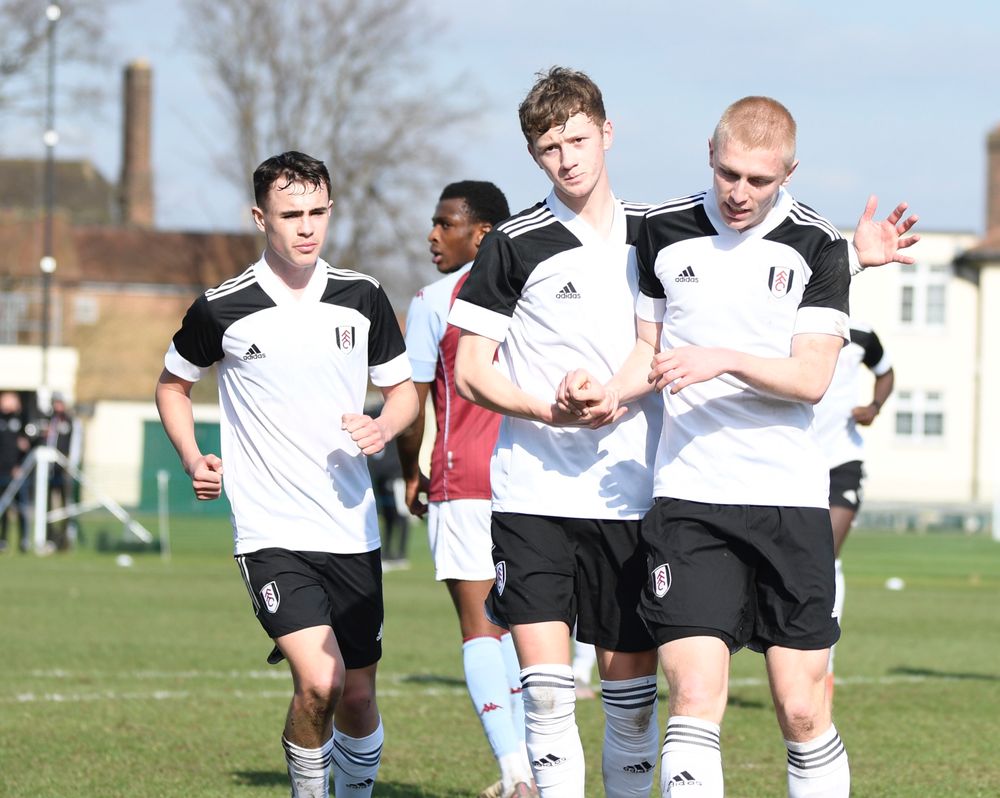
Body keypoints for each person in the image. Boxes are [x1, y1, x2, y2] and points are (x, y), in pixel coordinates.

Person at [567, 95, 918, 797]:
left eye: (759, 181)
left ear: (789, 173)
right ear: (709, 153)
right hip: (689, 503)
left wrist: (722, 358)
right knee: (695, 698)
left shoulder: (818, 244)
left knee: (800, 706)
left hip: (787, 504)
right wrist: (609, 391)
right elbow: (650, 351)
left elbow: (812, 378)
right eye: (730, 173)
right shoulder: (662, 230)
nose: (740, 193)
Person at [155, 151, 418, 798]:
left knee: (356, 695)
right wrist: (195, 457)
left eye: (317, 213)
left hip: (352, 530)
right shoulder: (223, 307)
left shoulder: (364, 297)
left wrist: (384, 427)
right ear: (259, 218)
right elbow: (172, 387)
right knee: (320, 681)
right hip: (271, 532)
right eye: (290, 214)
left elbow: (405, 391)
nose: (306, 227)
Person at [449, 67, 662, 798]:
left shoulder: (657, 235)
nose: (568, 158)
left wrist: (614, 394)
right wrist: (548, 408)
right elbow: (472, 368)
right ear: (534, 157)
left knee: (631, 706)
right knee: (544, 694)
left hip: (631, 496)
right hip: (533, 494)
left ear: (607, 131)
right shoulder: (512, 243)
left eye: (577, 138)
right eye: (549, 147)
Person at [397, 181, 536, 798]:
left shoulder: (434, 301)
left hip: (463, 478)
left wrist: (412, 471)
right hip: (529, 482)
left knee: (481, 627)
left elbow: (409, 401)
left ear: (481, 233)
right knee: (528, 629)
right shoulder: (532, 292)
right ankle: (539, 766)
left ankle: (516, 773)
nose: (433, 234)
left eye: (445, 223)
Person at [812, 319, 894, 686]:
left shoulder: (861, 333)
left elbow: (887, 372)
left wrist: (874, 406)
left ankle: (825, 660)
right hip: (795, 461)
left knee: (825, 551)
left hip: (843, 461)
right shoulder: (789, 323)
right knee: (800, 557)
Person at [0, 391, 29, 552]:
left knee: (21, 508)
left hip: (16, 472)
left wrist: (20, 465)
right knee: (2, 508)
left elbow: (27, 445)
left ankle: (23, 541)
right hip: (1, 471)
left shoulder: (21, 419)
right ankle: (3, 540)